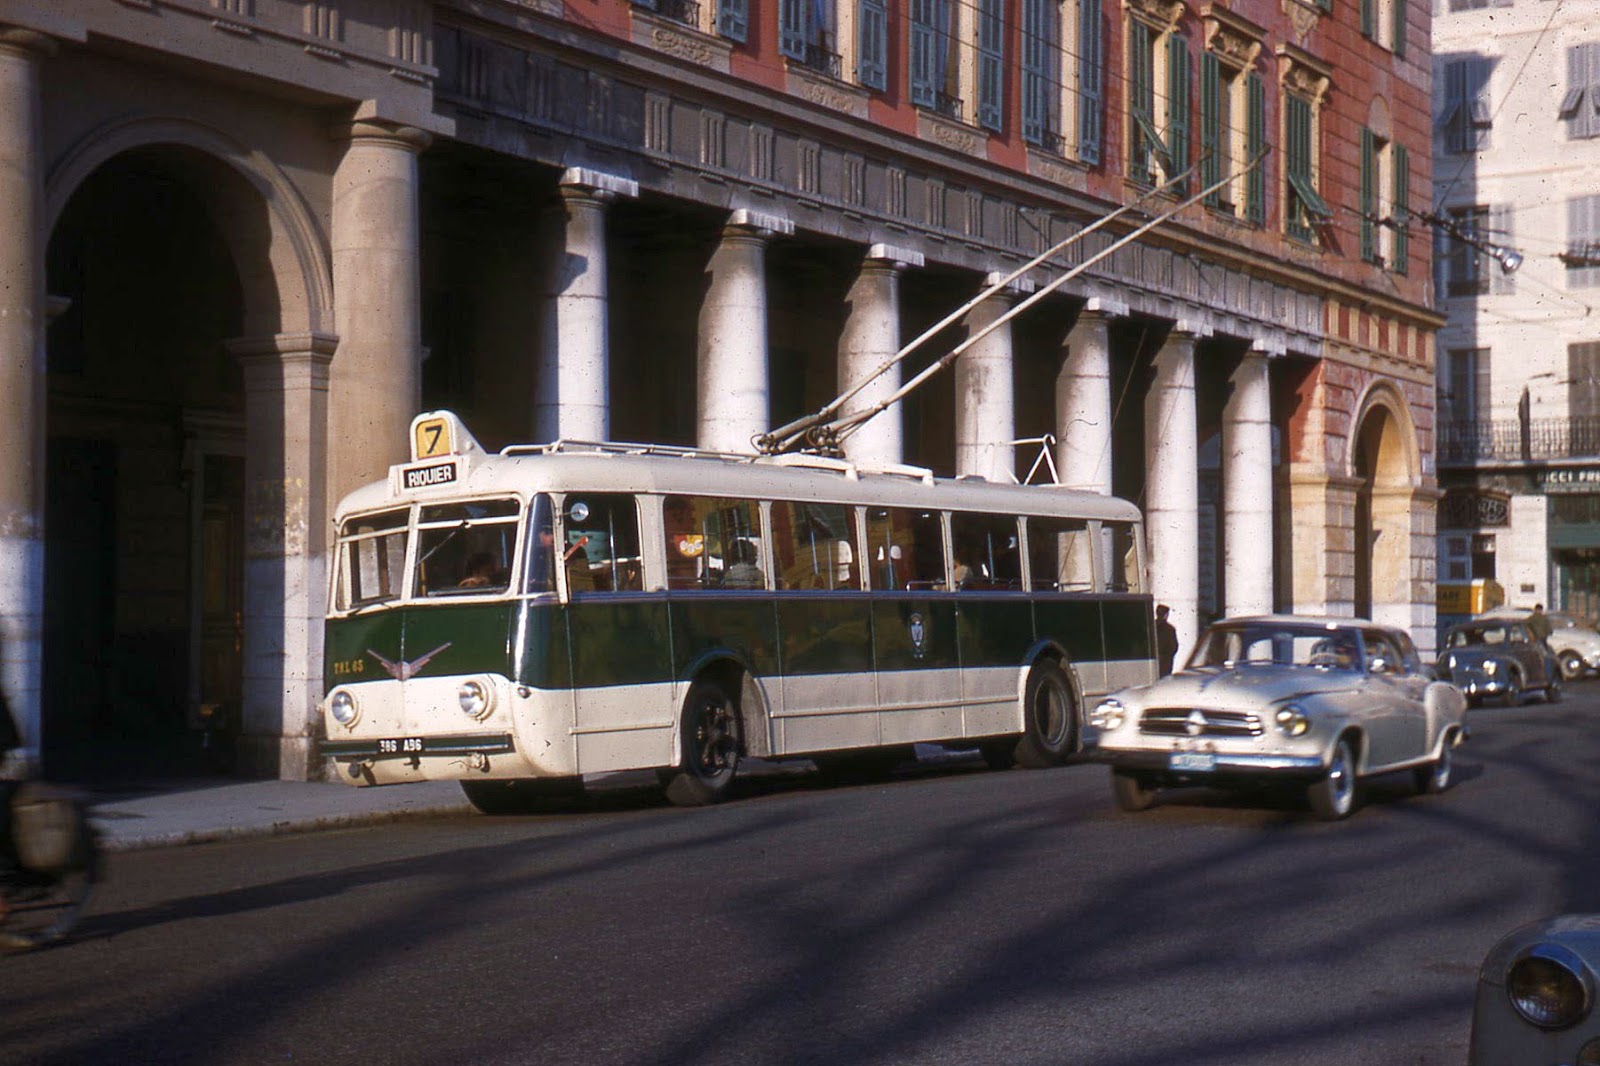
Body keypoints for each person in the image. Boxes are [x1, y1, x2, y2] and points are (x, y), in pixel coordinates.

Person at [1155, 604, 1179, 677]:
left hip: (1152, 661)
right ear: (1166, 615)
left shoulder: (1150, 626)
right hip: (1165, 662)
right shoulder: (1170, 629)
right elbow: (1174, 647)